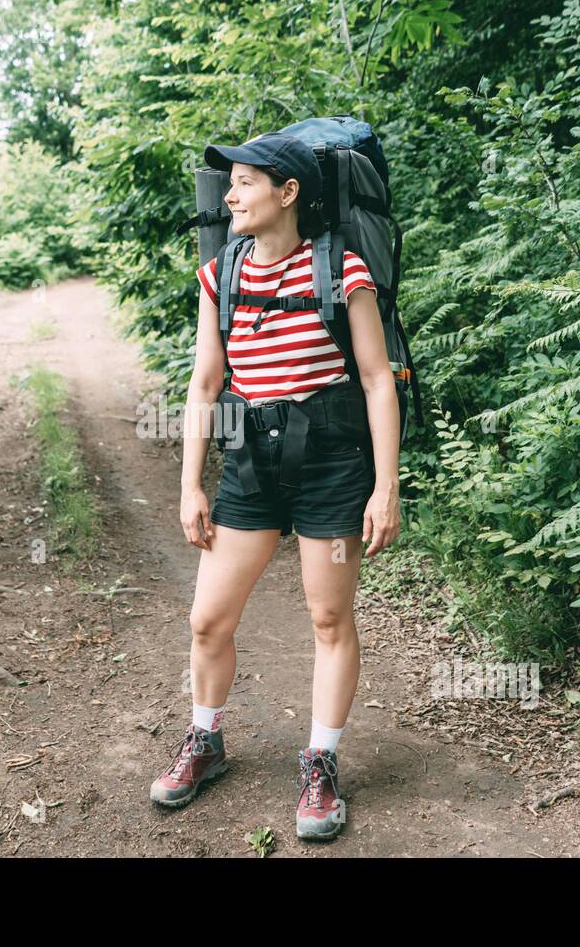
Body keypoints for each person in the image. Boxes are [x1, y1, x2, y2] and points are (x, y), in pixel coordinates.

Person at [149, 131, 402, 841]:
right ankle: (206, 740)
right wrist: (190, 485)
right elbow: (205, 383)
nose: (229, 195)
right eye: (229, 184)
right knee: (208, 619)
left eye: (245, 183)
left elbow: (378, 380)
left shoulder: (341, 270)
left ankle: (320, 763)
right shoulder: (220, 274)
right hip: (250, 466)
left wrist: (387, 486)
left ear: (287, 193)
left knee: (328, 620)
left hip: (331, 466)